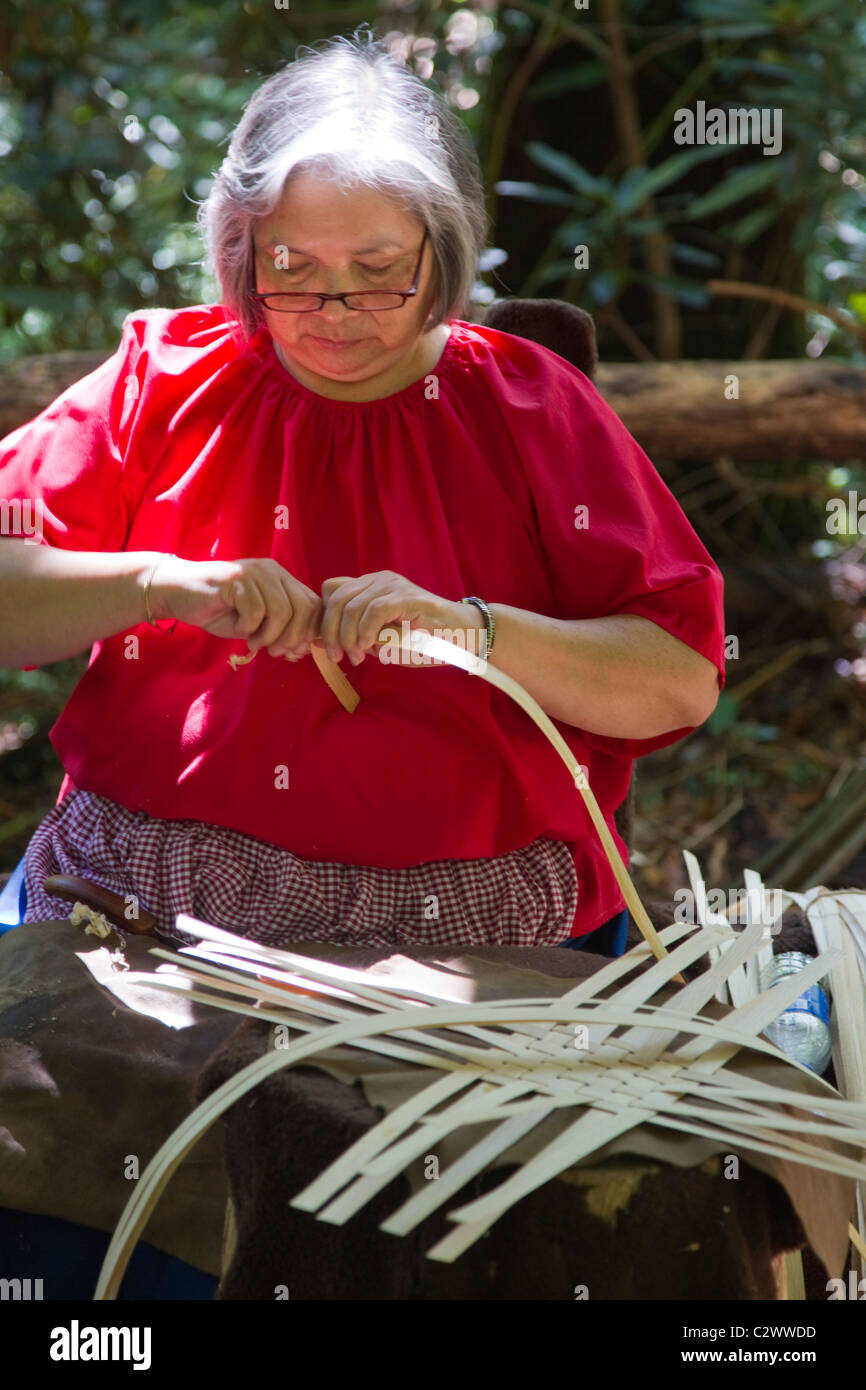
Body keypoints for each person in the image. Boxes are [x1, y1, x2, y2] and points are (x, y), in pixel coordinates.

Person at [0, 33, 725, 955]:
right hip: (147, 898)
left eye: (379, 272)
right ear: (241, 244)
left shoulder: (528, 407)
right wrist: (160, 586)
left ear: (444, 246)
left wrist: (471, 630)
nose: (334, 313)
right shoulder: (166, 381)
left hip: (467, 927)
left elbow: (677, 683)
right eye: (292, 267)